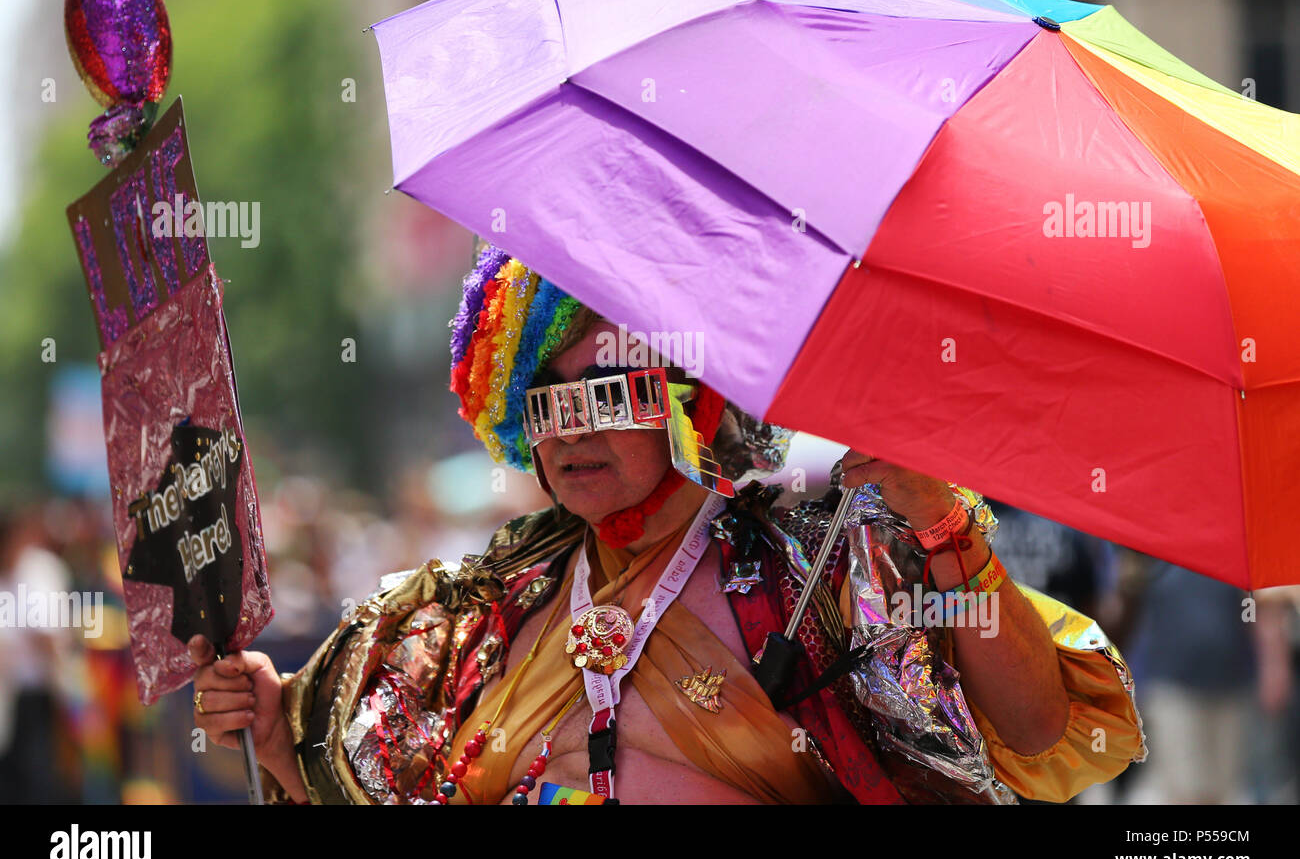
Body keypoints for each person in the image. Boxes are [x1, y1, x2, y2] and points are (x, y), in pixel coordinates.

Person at [190, 249, 1145, 804]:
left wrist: (945, 521)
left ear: (681, 400)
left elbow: (1036, 728)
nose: (575, 432)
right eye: (548, 403)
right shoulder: (479, 612)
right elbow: (377, 782)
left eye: (606, 394)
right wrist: (280, 739)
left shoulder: (815, 568)